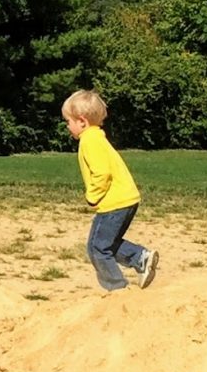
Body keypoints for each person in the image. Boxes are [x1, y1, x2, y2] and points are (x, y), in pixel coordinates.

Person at [63, 89, 158, 292]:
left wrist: (92, 196)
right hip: (126, 199)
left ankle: (117, 288)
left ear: (82, 121)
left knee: (97, 247)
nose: (67, 126)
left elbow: (102, 173)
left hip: (114, 203)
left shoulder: (89, 141)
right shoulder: (96, 137)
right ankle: (140, 258)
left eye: (68, 121)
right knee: (106, 244)